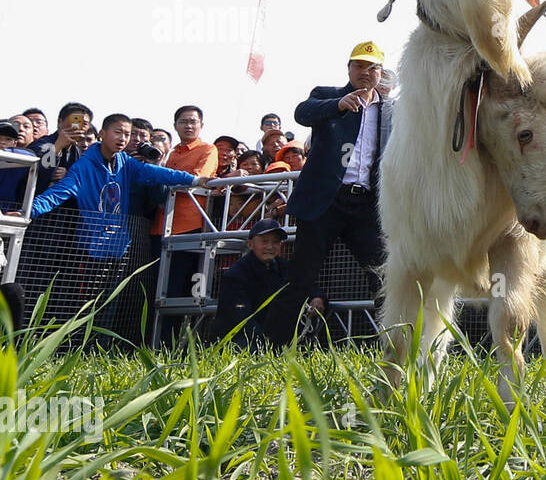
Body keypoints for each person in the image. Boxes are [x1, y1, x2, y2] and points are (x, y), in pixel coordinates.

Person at [7, 114, 208, 334]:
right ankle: (75, 348)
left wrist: (195, 180)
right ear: (102, 134)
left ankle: (98, 349)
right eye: (117, 132)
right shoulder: (84, 166)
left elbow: (158, 173)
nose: (123, 138)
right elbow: (58, 193)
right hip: (90, 251)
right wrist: (28, 211)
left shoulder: (126, 163)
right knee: (82, 306)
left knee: (109, 307)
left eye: (127, 134)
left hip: (118, 248)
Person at [269, 42, 391, 343]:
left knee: (383, 273)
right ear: (349, 69)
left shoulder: (390, 111)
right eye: (359, 65)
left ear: (381, 73)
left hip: (365, 204)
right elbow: (302, 113)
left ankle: (392, 345)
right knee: (301, 276)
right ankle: (278, 346)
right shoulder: (327, 95)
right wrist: (338, 105)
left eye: (372, 67)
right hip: (325, 200)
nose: (365, 72)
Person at [150, 105, 218, 344]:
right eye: (183, 121)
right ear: (175, 125)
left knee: (176, 290)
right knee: (155, 288)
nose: (188, 126)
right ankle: (151, 343)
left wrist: (165, 179)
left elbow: (200, 177)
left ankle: (168, 345)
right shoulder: (171, 153)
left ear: (201, 125)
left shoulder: (208, 149)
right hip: (160, 226)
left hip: (188, 227)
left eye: (193, 121)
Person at [213, 218, 326, 347]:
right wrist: (266, 343)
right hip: (240, 340)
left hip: (274, 340)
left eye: (275, 242)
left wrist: (318, 298)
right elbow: (239, 317)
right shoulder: (235, 275)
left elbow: (306, 285)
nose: (270, 247)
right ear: (250, 244)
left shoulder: (285, 268)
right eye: (264, 241)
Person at [27, 102, 93, 194]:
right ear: (60, 122)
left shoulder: (77, 151)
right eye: (75, 121)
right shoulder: (42, 144)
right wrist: (57, 147)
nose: (78, 126)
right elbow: (37, 174)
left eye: (84, 123)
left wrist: (68, 175)